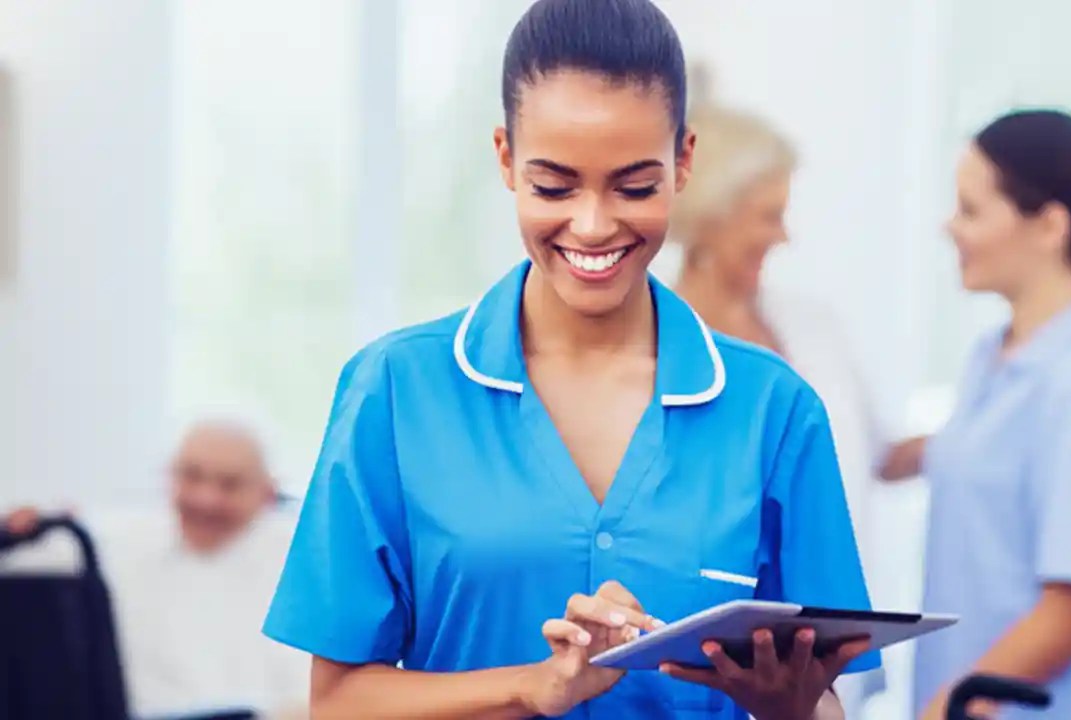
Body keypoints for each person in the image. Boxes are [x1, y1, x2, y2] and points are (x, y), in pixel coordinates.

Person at [261, 1, 879, 719]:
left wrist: (788, 709)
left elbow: (828, 699)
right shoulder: (395, 392)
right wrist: (533, 684)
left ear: (684, 161)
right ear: (504, 158)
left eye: (634, 186)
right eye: (553, 186)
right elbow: (337, 704)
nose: (592, 224)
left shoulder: (774, 409)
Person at [880, 110, 1071, 719]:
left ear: (1049, 225)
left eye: (971, 210)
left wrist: (945, 707)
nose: (950, 227)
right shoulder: (988, 361)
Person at [669, 75, 890, 719]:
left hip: (832, 643)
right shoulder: (661, 346)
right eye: (769, 215)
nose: (784, 236)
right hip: (733, 658)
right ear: (711, 215)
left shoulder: (812, 325)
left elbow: (877, 451)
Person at [3, 416, 309, 719]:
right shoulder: (119, 540)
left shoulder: (301, 559)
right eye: (192, 476)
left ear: (267, 491)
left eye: (229, 484)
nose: (206, 498)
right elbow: (25, 551)